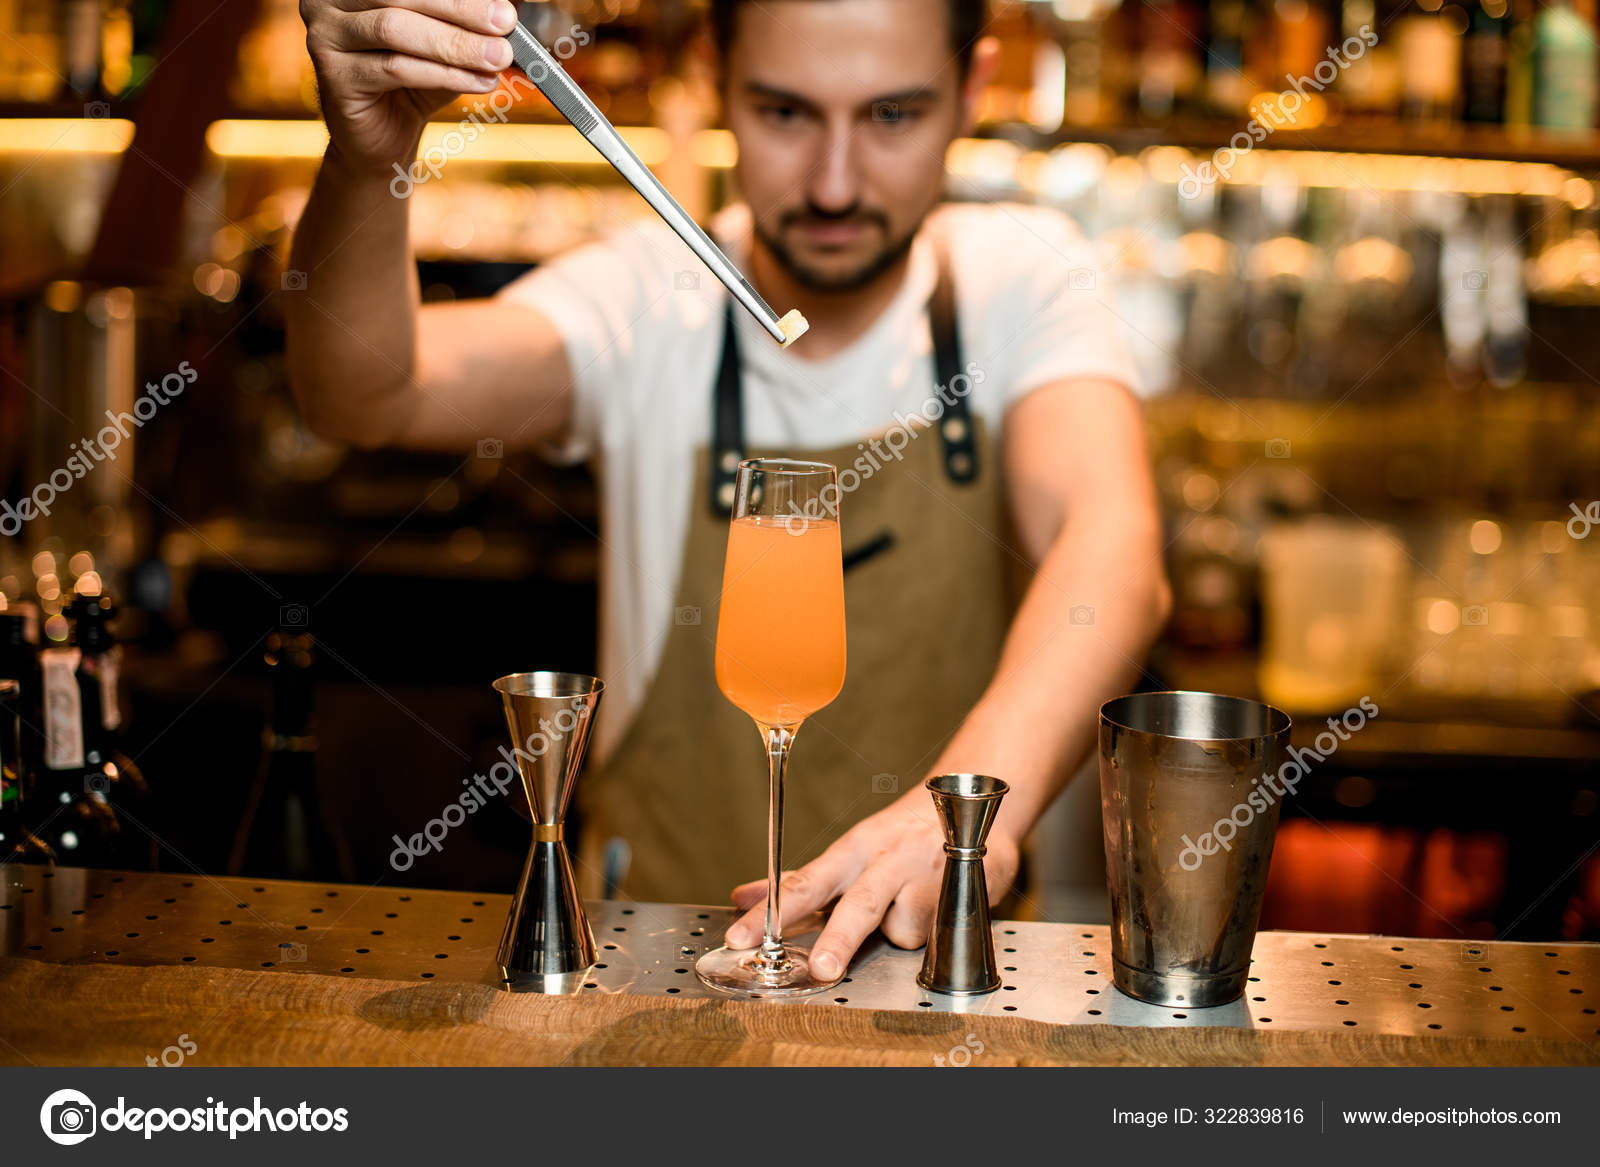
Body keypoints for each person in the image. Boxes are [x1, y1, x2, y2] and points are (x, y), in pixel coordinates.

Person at [286, 0, 1171, 983]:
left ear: (972, 89)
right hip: (653, 971)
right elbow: (363, 395)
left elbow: (1112, 550)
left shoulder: (1019, 279)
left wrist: (957, 816)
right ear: (715, 76)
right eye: (786, 112)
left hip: (944, 972)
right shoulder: (648, 296)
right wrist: (366, 161)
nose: (834, 184)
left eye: (892, 115)